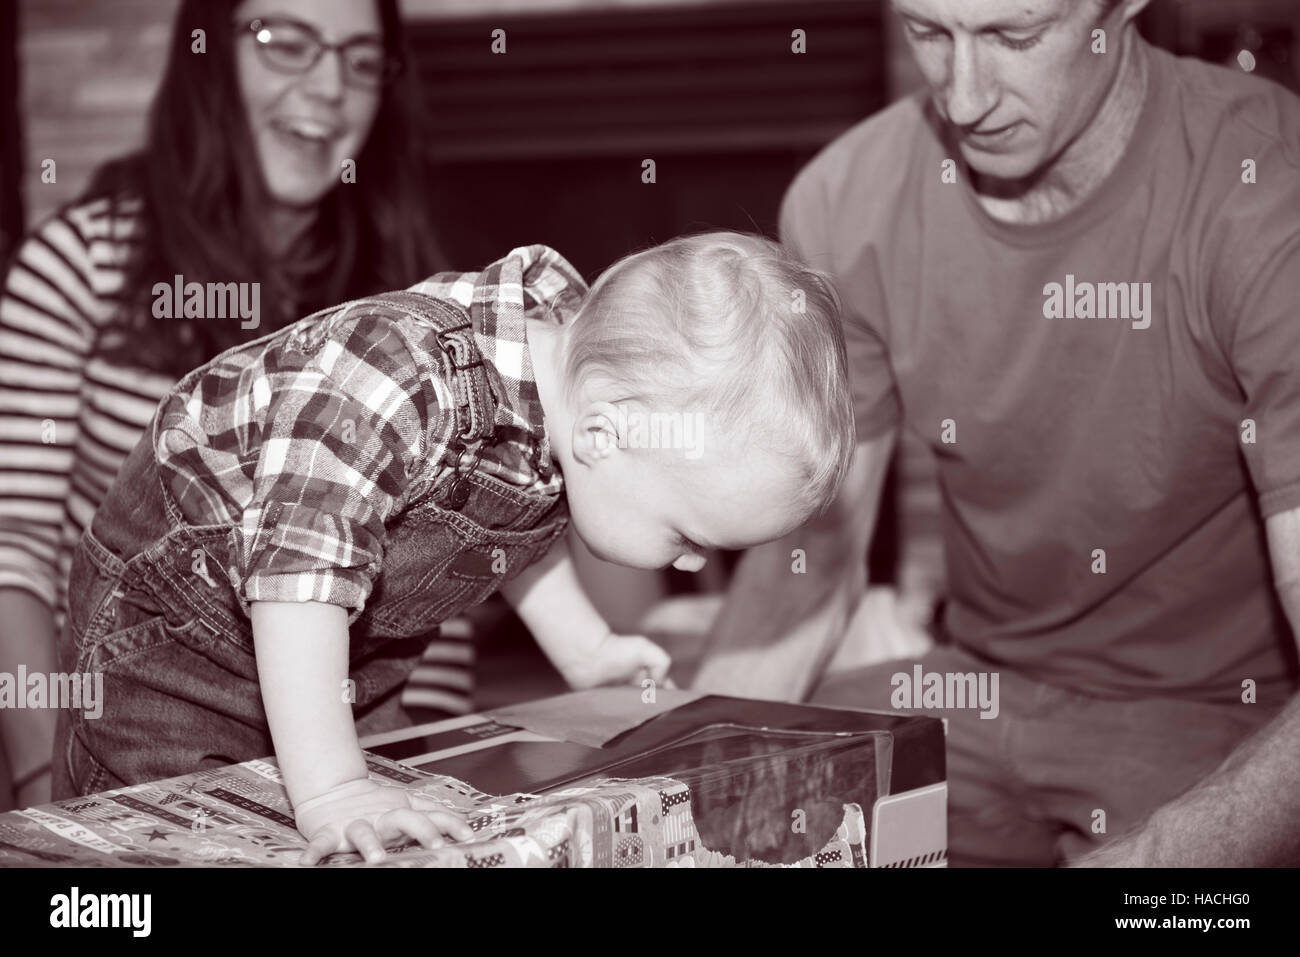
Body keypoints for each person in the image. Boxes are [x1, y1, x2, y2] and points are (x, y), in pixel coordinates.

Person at [694, 0, 1300, 867]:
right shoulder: (846, 198)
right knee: (742, 822)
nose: (964, 98)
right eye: (928, 32)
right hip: (975, 688)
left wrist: (1154, 862)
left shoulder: (1268, 189)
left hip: (1216, 717)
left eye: (1015, 37)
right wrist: (681, 790)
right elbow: (813, 564)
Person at [50, 233, 855, 864]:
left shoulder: (567, 405)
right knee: (163, 840)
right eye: (688, 537)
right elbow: (299, 577)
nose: (685, 565)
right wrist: (332, 789)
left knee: (397, 831)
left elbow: (507, 529)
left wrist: (587, 645)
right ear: (610, 425)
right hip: (175, 644)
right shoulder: (398, 378)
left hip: (341, 664)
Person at [0, 0, 441, 809]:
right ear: (209, 58)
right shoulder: (77, 264)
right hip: (123, 733)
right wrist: (43, 782)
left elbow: (424, 578)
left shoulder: (407, 298)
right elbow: (11, 551)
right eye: (286, 41)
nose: (329, 84)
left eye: (361, 58)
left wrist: (429, 764)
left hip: (344, 752)